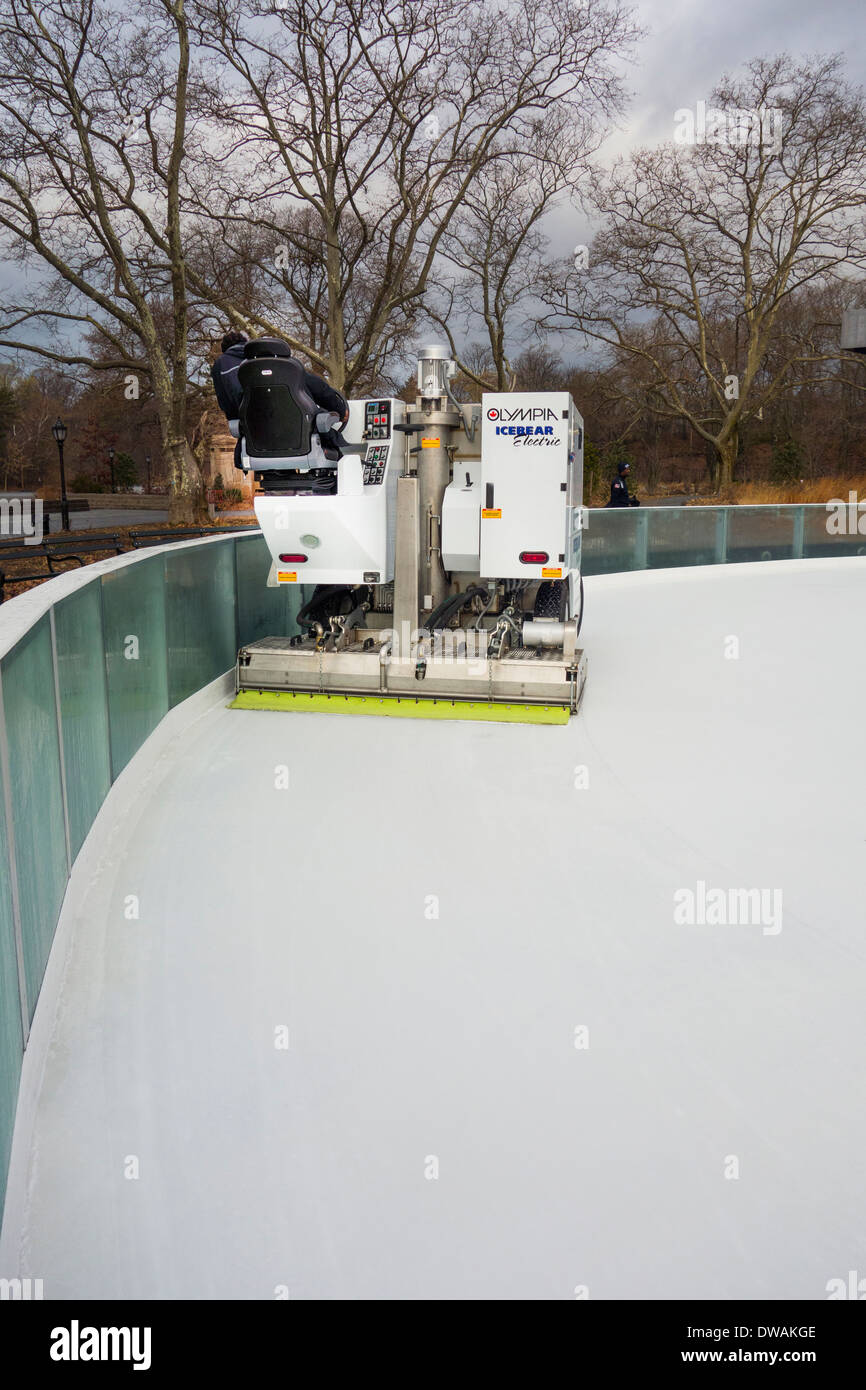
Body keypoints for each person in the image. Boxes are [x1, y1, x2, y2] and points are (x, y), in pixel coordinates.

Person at [210, 330, 349, 464]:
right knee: (342, 451)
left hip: (257, 445)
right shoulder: (284, 365)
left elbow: (227, 406)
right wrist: (340, 410)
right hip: (301, 439)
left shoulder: (220, 368)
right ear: (246, 344)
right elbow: (319, 389)